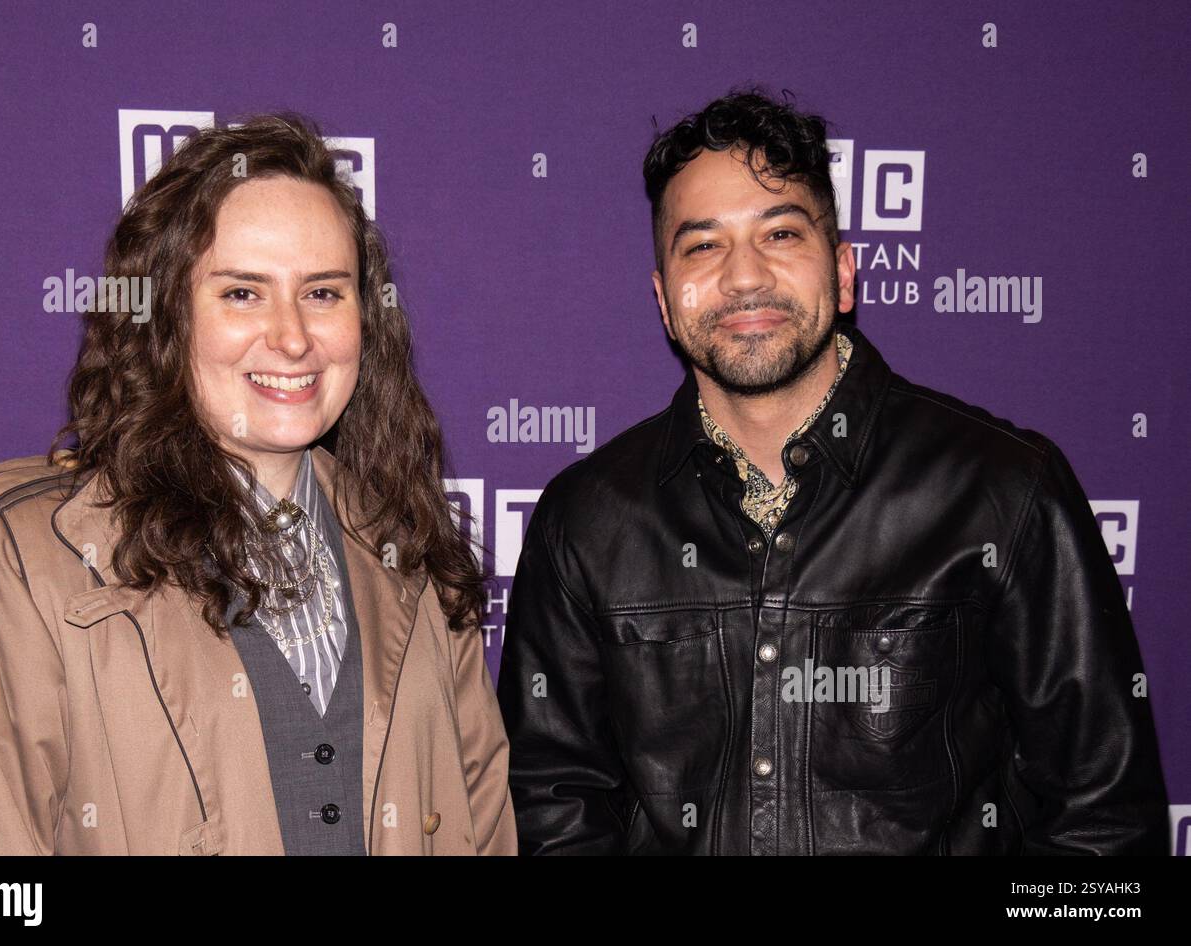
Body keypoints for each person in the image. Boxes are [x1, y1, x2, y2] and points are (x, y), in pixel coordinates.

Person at [497, 88, 1168, 855]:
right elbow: (552, 810)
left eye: (781, 233)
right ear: (663, 300)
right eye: (703, 245)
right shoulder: (586, 520)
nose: (745, 277)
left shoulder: (1003, 491)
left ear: (845, 274)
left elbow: (1106, 829)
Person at [0, 113, 515, 855]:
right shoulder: (23, 552)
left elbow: (484, 832)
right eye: (242, 293)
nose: (292, 337)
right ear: (165, 316)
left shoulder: (412, 550)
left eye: (324, 293)